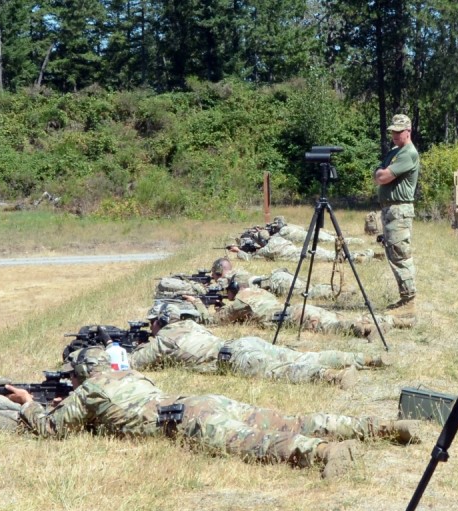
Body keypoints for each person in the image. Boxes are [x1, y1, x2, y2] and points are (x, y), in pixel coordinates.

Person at [7, 347, 417, 480]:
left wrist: (29, 403)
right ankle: (378, 426)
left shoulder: (92, 389)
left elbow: (52, 430)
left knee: (254, 443)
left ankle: (323, 454)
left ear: (81, 375)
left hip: (185, 422)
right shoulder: (131, 375)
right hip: (201, 400)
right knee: (291, 419)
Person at [131, 300, 387, 388]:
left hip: (233, 358)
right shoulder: (191, 326)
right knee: (300, 356)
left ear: (162, 321)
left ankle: (332, 377)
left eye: (152, 322)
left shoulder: (164, 340)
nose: (150, 326)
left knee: (282, 371)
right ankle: (361, 359)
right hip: (243, 343)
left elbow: (135, 363)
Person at [186, 279, 414, 339]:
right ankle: (395, 321)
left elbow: (214, 322)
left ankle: (366, 330)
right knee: (335, 317)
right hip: (296, 308)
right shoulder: (259, 293)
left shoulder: (241, 302)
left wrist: (196, 303)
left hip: (289, 318)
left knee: (333, 326)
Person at [374, 113, 419, 308]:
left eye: (398, 132)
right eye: (393, 131)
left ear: (408, 131)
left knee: (400, 254)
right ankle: (406, 297)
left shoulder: (409, 153)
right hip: (390, 210)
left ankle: (409, 300)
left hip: (399, 210)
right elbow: (379, 172)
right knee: (394, 253)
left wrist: (380, 173)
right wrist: (380, 172)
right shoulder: (395, 151)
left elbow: (382, 176)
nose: (394, 135)